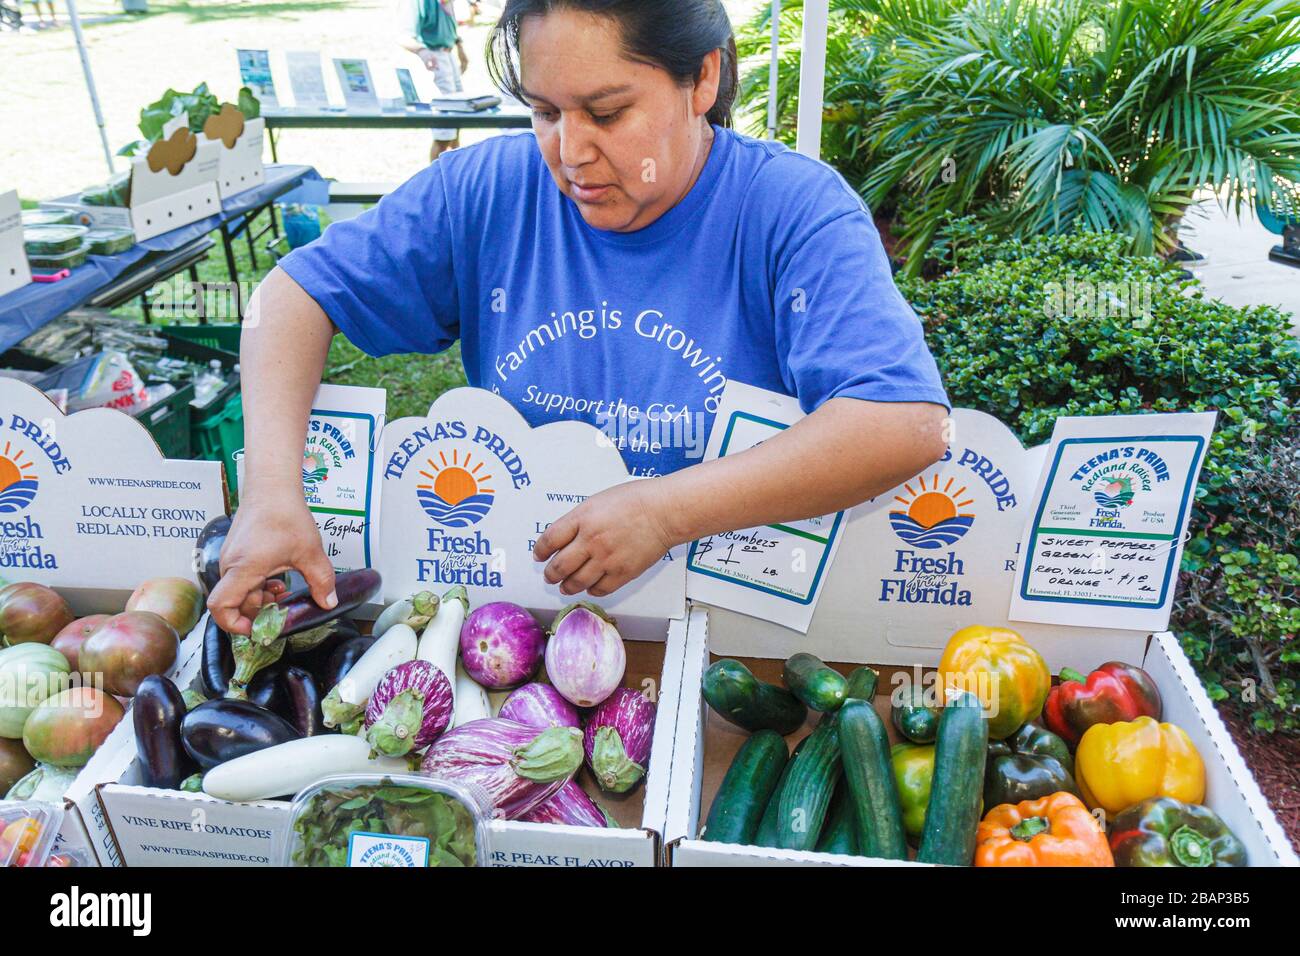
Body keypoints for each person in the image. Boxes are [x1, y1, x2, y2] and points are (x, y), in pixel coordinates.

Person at [208, 0, 951, 636]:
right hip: (520, 624)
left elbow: (902, 423)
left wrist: (666, 512)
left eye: (606, 112)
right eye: (543, 111)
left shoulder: (792, 211)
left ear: (703, 78)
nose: (570, 153)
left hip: (731, 633)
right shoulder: (489, 190)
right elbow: (290, 298)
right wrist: (273, 492)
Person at [398, 0, 469, 159]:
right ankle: (436, 181)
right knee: (444, 132)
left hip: (448, 55)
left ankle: (454, 178)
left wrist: (460, 47)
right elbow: (403, 37)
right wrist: (423, 52)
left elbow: (449, 25)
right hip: (433, 57)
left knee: (457, 123)